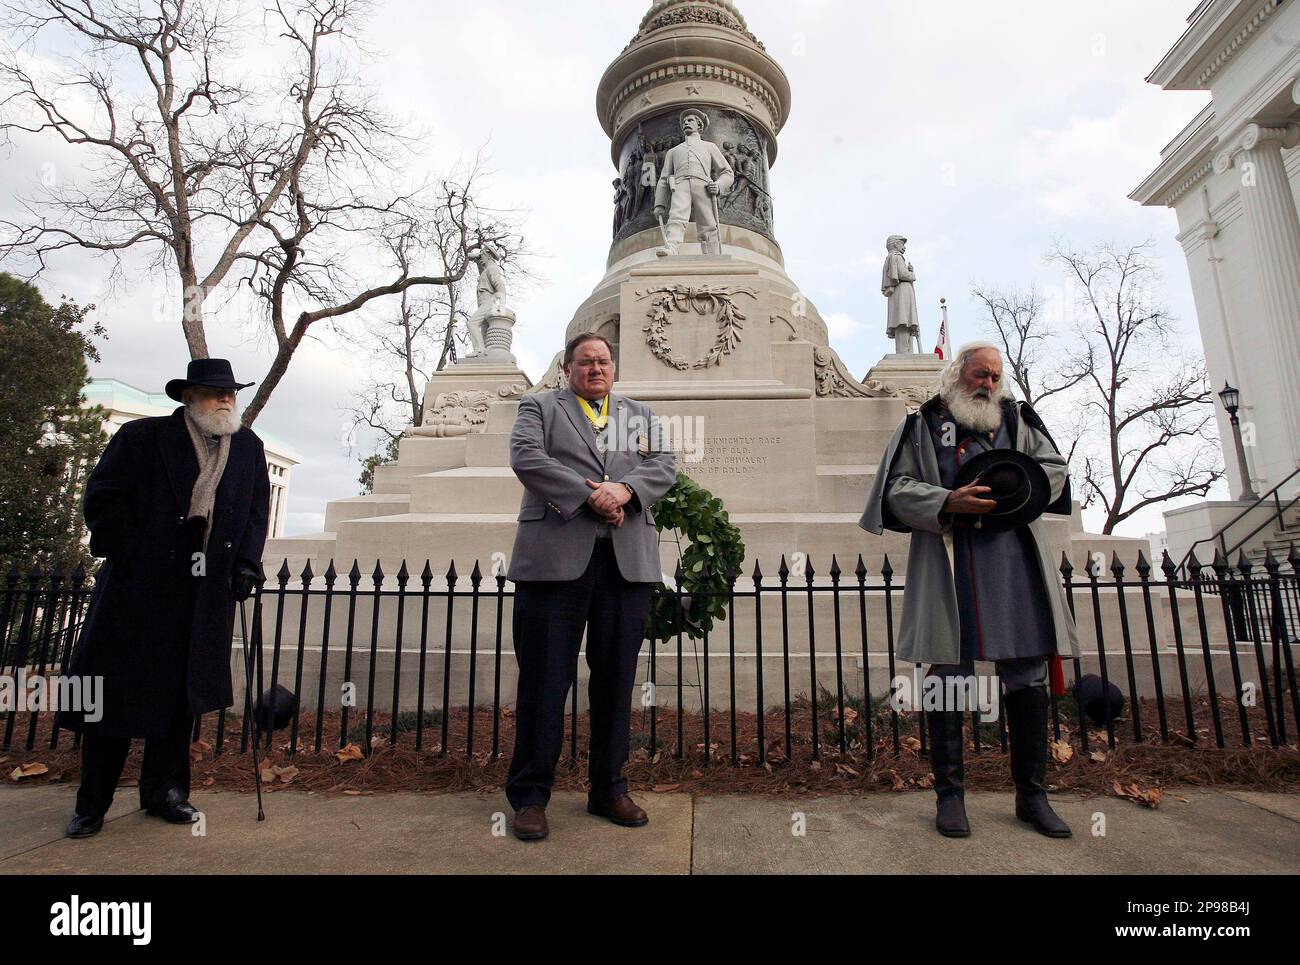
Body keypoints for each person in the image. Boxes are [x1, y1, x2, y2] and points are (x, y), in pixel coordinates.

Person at [859, 342, 1079, 839]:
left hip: (1014, 562)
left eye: (996, 376)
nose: (989, 384)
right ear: (959, 374)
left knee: (1027, 679)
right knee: (947, 681)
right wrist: (948, 498)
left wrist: (1021, 488)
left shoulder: (1022, 422)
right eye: (981, 374)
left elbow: (1055, 469)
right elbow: (896, 488)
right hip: (952, 562)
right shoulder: (922, 424)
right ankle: (950, 798)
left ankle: (1032, 796)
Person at [60, 359, 269, 838]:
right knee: (112, 701)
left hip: (203, 596)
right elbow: (104, 499)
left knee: (180, 703)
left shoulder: (247, 448)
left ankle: (167, 791)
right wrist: (134, 551)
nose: (224, 400)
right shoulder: (143, 438)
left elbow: (256, 513)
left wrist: (245, 565)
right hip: (138, 593)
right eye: (214, 393)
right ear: (189, 397)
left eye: (230, 393)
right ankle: (92, 802)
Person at [505, 332, 676, 841]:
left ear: (614, 368)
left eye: (603, 361)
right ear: (568, 367)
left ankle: (609, 789)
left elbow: (664, 463)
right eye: (586, 362)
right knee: (544, 681)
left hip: (625, 566)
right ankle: (531, 798)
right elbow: (529, 460)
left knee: (615, 682)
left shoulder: (640, 416)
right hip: (555, 562)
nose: (595, 369)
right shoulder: (538, 407)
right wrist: (591, 497)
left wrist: (625, 489)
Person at [653, 108, 734, 256]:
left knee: (708, 223)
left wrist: (718, 185)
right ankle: (671, 248)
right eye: (684, 121)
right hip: (680, 184)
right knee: (676, 217)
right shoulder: (673, 151)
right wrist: (660, 204)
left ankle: (712, 253)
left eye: (690, 120)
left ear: (699, 125)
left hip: (703, 185)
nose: (686, 123)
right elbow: (664, 178)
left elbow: (727, 172)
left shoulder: (709, 147)